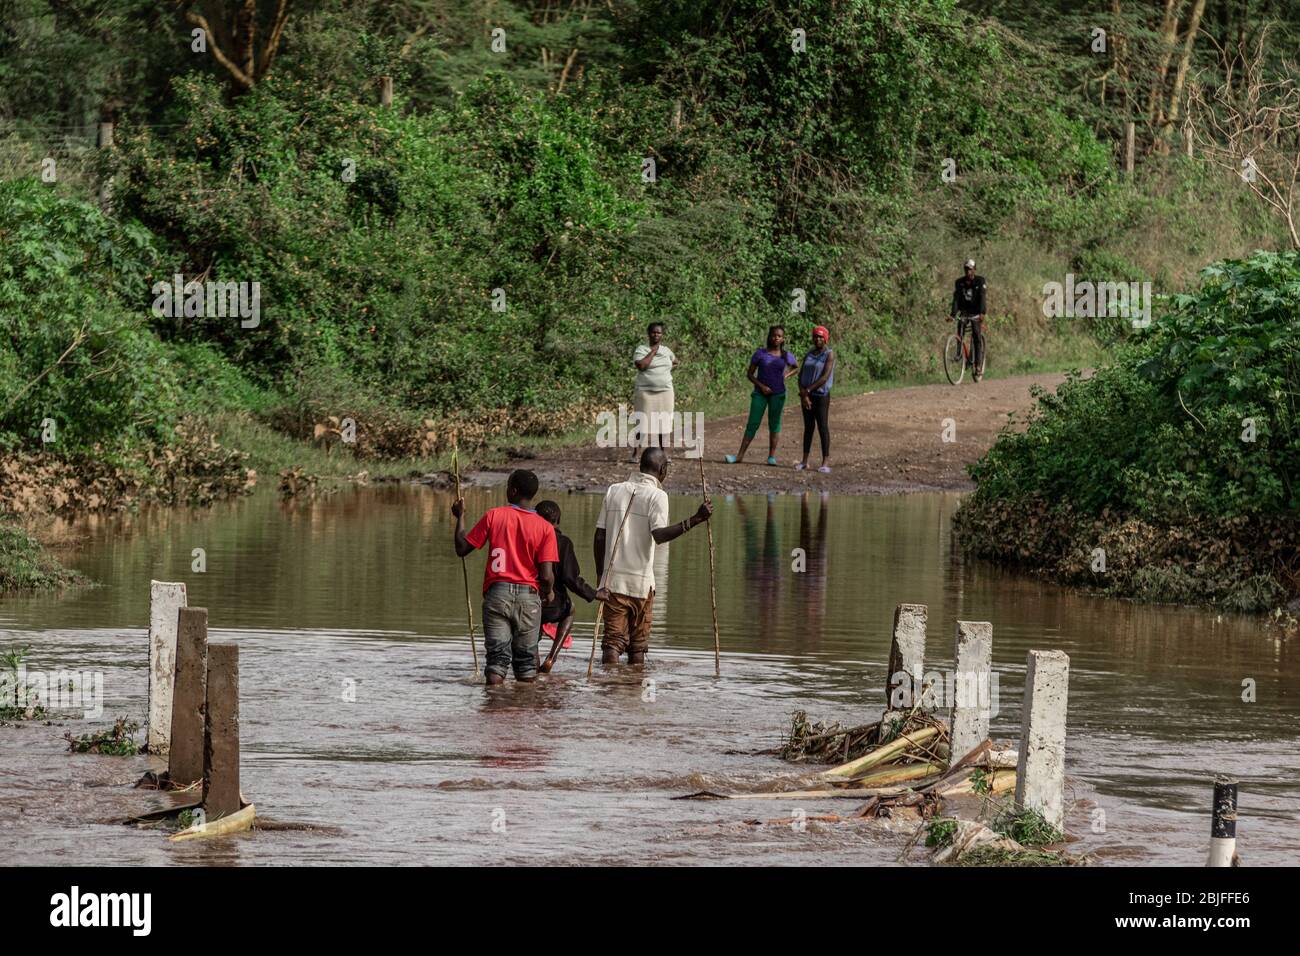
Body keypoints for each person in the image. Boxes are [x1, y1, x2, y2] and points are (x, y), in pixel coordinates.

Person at [593, 447, 712, 665]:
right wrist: (695, 519)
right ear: (663, 470)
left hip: (612, 583)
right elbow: (659, 535)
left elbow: (599, 536)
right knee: (637, 647)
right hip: (641, 585)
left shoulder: (614, 490)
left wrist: (601, 577)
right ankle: (634, 693)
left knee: (612, 643)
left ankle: (608, 690)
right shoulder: (658, 495)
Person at [452, 469, 556, 686]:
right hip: (529, 599)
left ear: (514, 490)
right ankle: (523, 713)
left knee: (497, 660)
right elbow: (546, 576)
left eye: (508, 485)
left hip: (497, 594)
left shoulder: (494, 515)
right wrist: (548, 593)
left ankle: (493, 711)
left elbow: (462, 548)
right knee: (527, 662)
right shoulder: (546, 528)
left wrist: (460, 516)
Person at [533, 499, 597, 664]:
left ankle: (533, 667)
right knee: (570, 609)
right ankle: (552, 657)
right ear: (558, 521)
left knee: (530, 639)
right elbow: (570, 578)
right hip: (552, 605)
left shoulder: (529, 538)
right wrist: (593, 594)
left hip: (527, 600)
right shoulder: (563, 542)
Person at [724, 325, 798, 466]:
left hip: (778, 394)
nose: (776, 338)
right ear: (769, 336)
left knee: (775, 424)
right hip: (759, 394)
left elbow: (796, 367)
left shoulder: (786, 355)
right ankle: (739, 456)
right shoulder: (760, 354)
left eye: (779, 336)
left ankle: (771, 457)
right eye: (774, 335)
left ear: (783, 339)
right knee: (753, 423)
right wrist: (761, 386)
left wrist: (785, 375)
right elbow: (749, 374)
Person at [630, 322, 677, 461]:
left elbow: (675, 362)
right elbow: (642, 365)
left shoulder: (667, 351)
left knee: (664, 423)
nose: (656, 335)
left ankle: (663, 452)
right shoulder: (641, 349)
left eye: (659, 333)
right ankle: (636, 453)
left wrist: (664, 371)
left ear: (662, 335)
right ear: (648, 333)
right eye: (654, 332)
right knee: (642, 423)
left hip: (665, 392)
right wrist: (653, 352)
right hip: (645, 392)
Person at [797, 326, 835, 473]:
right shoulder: (809, 354)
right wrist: (804, 394)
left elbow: (824, 377)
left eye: (821, 337)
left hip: (821, 396)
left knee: (822, 427)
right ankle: (804, 461)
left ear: (825, 339)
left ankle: (825, 462)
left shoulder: (829, 354)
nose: (818, 339)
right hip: (807, 396)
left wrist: (807, 390)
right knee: (808, 428)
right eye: (816, 337)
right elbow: (801, 376)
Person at [950, 257, 987, 379]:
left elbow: (982, 297)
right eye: (966, 269)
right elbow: (956, 299)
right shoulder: (959, 282)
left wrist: (982, 312)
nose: (968, 271)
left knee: (976, 336)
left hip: (976, 312)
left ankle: (978, 365)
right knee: (960, 328)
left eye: (970, 269)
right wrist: (953, 314)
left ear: (974, 270)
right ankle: (959, 353)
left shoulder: (980, 281)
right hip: (965, 312)